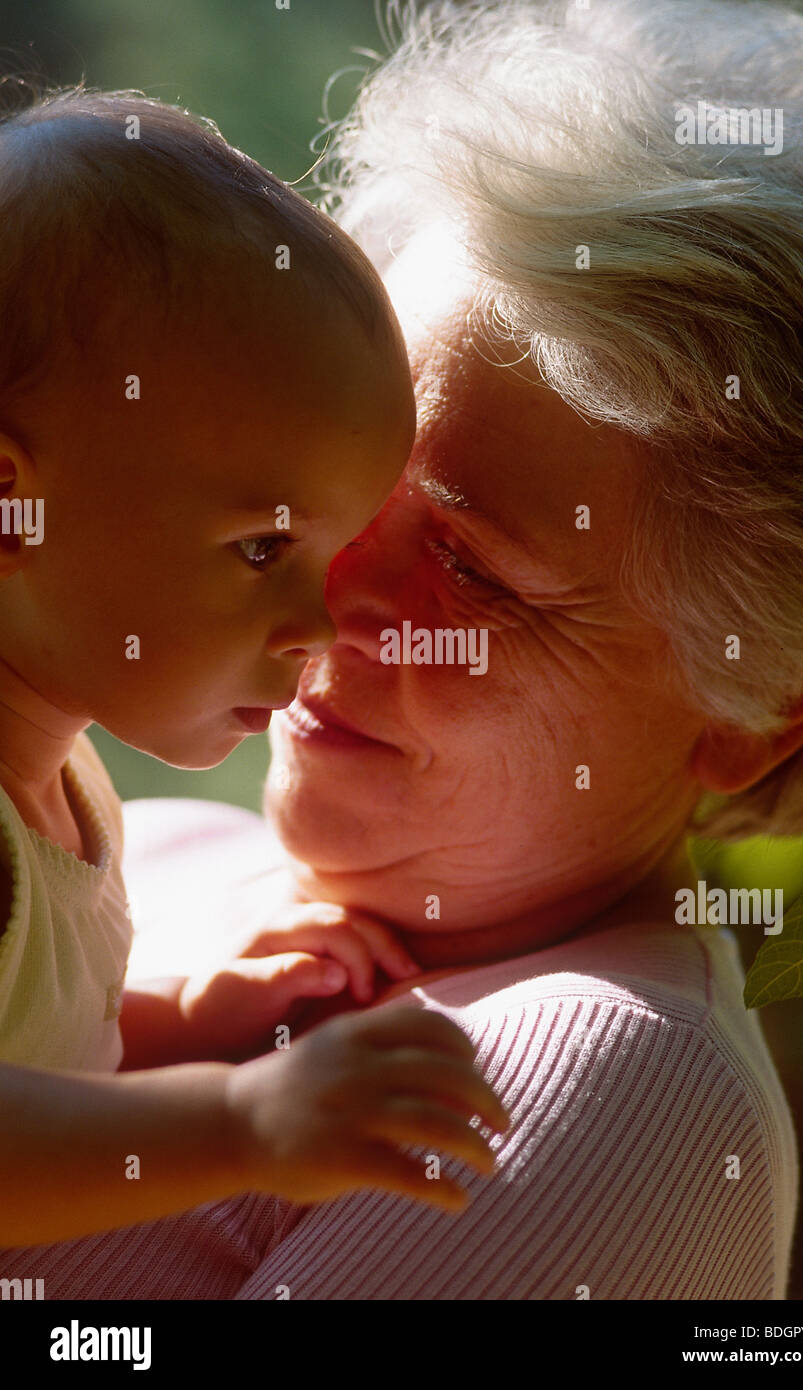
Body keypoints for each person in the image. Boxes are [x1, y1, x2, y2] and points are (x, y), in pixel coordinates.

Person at [5, 0, 803, 1299]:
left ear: (759, 700)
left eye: (468, 566)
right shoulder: (136, 838)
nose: (330, 590)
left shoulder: (605, 1082)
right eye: (293, 515)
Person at [0, 85, 509, 1249]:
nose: (321, 626)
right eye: (264, 546)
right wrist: (240, 1120)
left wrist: (174, 1018)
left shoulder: (61, 773)